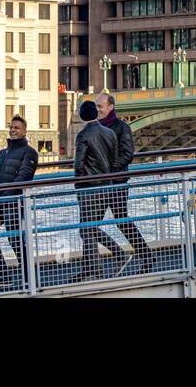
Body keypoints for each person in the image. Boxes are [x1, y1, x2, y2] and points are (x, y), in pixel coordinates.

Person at [95, 92, 155, 271]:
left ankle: (146, 257)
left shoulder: (122, 127)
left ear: (111, 107)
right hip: (99, 183)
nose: (97, 109)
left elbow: (128, 154)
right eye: (96, 106)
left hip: (117, 182)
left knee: (120, 220)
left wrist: (110, 169)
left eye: (100, 106)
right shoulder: (95, 127)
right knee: (89, 226)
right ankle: (96, 266)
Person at [0, 115, 39, 287]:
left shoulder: (30, 152)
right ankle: (2, 277)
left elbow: (24, 177)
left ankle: (29, 276)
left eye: (17, 128)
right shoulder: (1, 153)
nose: (13, 130)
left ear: (24, 131)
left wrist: (6, 197)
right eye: (11, 127)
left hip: (13, 202)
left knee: (14, 239)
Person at [72, 99, 118, 281]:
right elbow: (114, 162)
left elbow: (78, 165)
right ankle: (92, 271)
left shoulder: (83, 135)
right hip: (107, 187)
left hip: (89, 189)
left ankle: (118, 254)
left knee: (87, 229)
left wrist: (78, 185)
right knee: (89, 229)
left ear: (82, 116)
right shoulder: (110, 133)